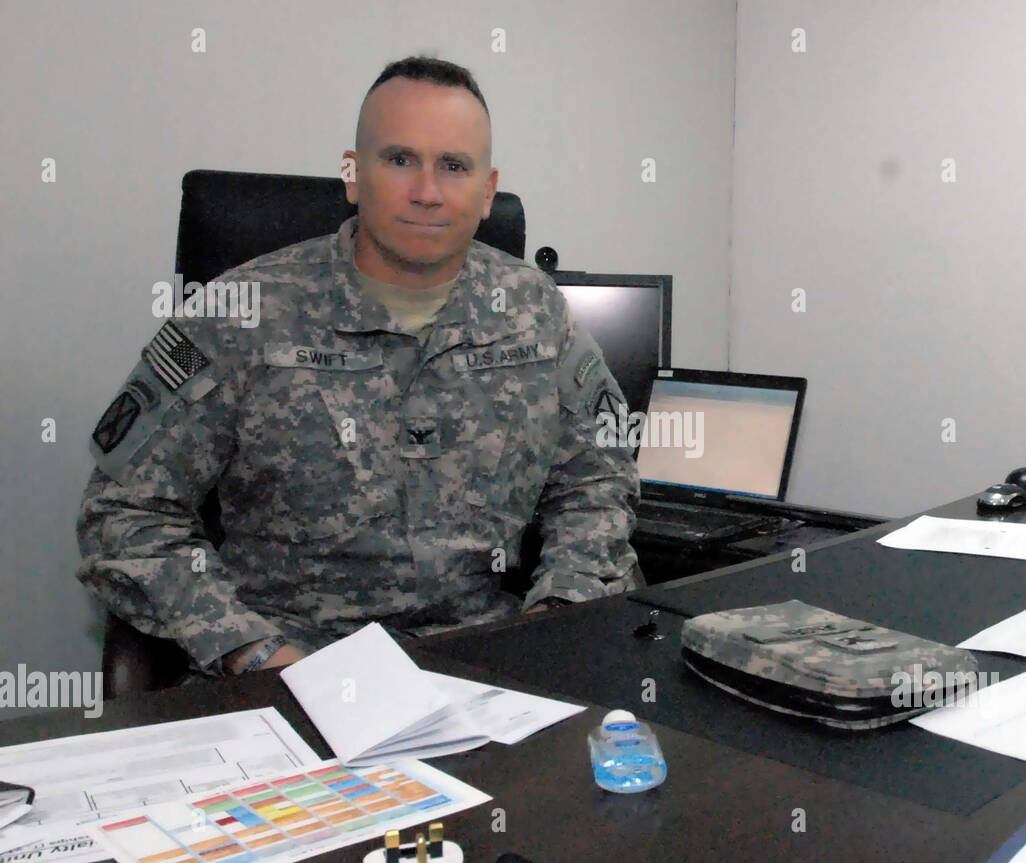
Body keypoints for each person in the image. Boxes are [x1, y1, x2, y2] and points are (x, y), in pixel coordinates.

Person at [77, 56, 641, 678]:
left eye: (453, 166)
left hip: (482, 666)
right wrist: (248, 648)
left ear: (487, 190)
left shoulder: (534, 309)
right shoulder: (241, 312)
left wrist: (559, 616)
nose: (427, 191)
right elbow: (125, 514)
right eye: (400, 159)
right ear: (352, 175)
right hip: (291, 667)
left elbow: (598, 481)